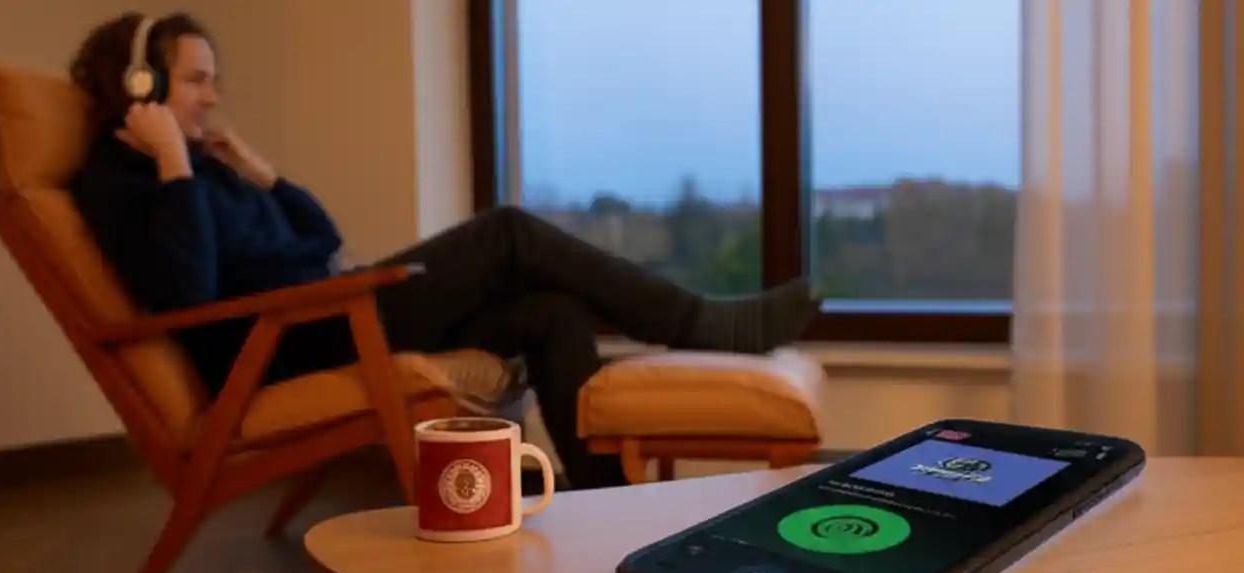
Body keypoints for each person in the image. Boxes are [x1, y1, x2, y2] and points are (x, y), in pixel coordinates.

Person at [67, 12, 821, 491]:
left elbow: (320, 242)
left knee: (552, 313)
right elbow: (185, 297)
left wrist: (261, 176)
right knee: (508, 233)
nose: (210, 98)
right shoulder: (121, 182)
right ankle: (707, 323)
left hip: (326, 306)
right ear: (143, 82)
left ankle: (600, 506)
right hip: (287, 341)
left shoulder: (201, 174)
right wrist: (171, 164)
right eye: (196, 81)